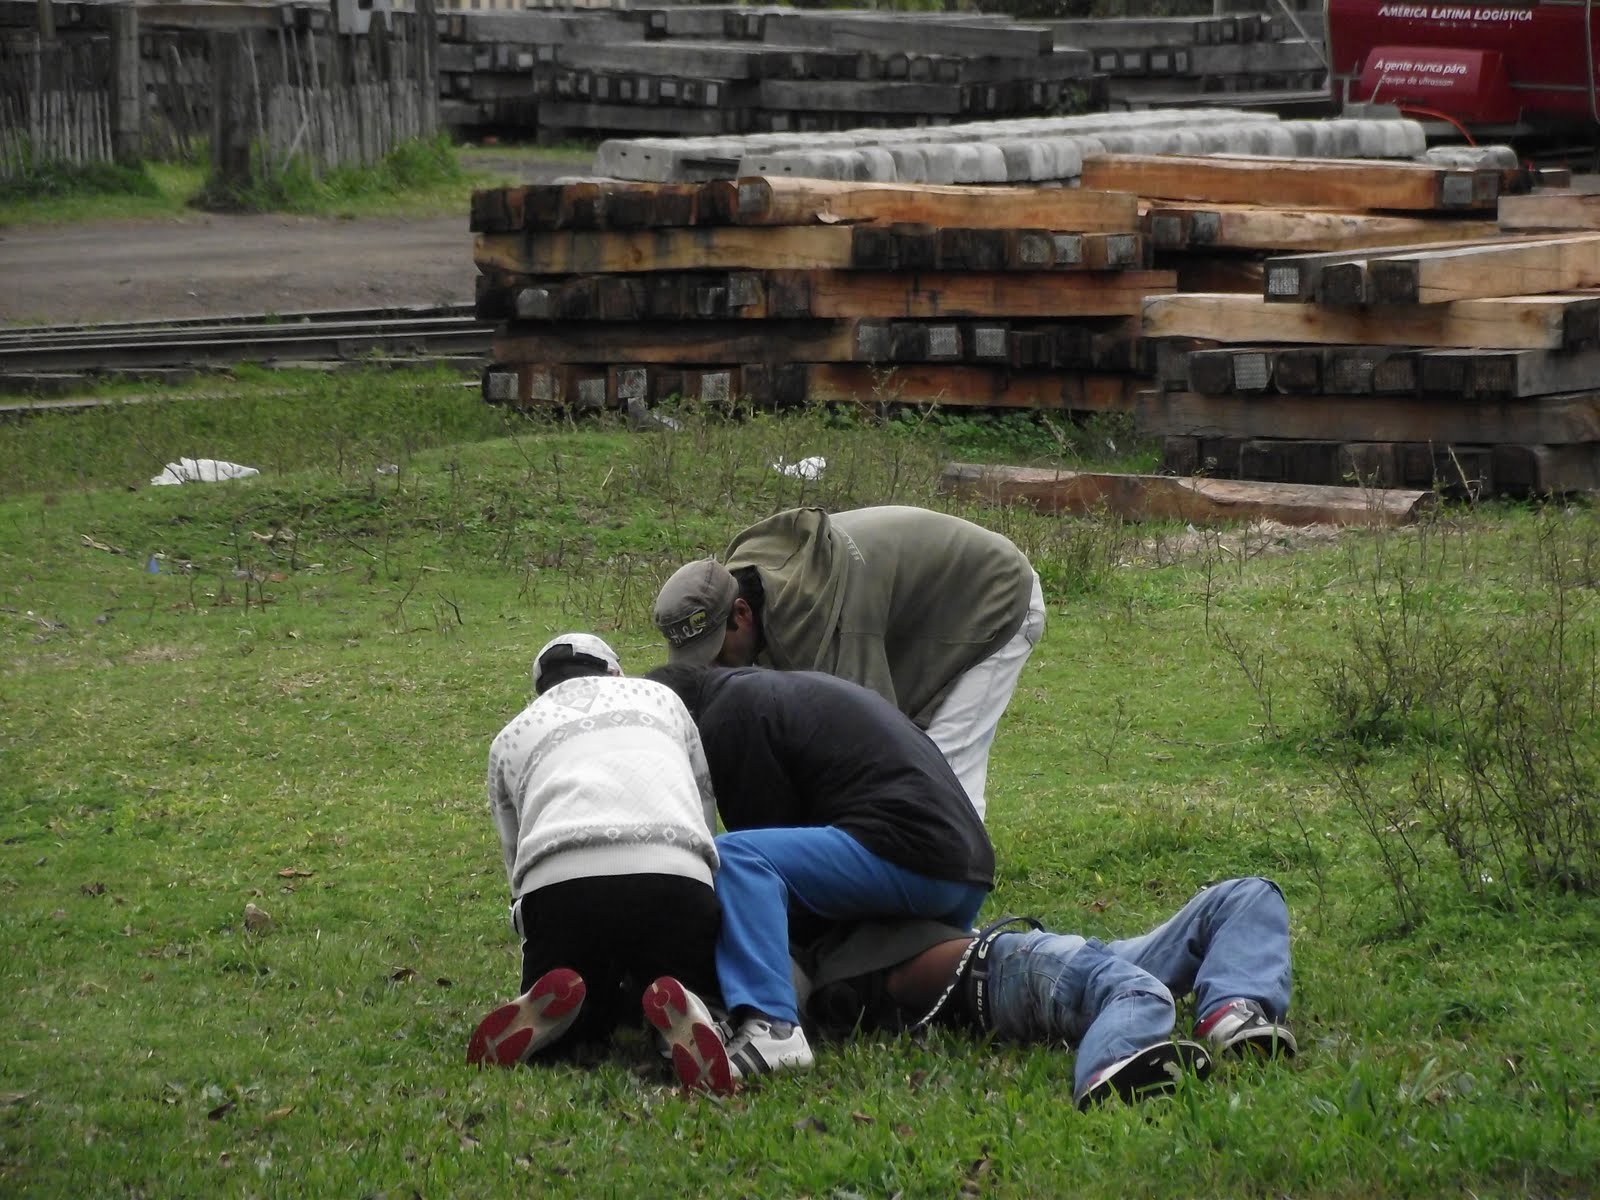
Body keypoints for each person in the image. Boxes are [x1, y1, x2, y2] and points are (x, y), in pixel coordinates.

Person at [646, 662, 995, 1092]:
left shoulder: (729, 715)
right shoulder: (767, 692)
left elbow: (762, 854)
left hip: (908, 851)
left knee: (736, 858)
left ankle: (774, 1028)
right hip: (960, 874)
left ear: (678, 720)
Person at [652, 505, 1045, 819]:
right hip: (924, 602)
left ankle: (957, 880)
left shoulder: (829, 623)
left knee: (939, 768)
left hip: (996, 592)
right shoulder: (759, 582)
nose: (716, 670)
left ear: (741, 614)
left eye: (717, 651)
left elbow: (875, 735)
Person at [467, 632, 727, 1086]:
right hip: (674, 877)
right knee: (678, 974)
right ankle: (686, 1005)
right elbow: (704, 802)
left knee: (584, 989)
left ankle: (570, 1020)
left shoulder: (512, 736)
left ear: (543, 690)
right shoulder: (661, 698)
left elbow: (515, 862)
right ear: (615, 671)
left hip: (562, 888)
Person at [796, 876, 1295, 1108]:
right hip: (1007, 970)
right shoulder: (833, 965)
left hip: (1048, 955)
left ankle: (1232, 1012)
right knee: (1141, 996)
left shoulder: (856, 904)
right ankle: (1109, 1071)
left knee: (1248, 893)